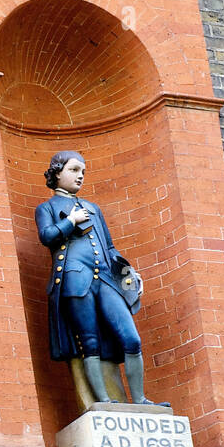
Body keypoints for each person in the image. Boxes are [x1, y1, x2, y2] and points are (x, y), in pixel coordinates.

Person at [36, 150, 159, 405]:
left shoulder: (93, 208)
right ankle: (102, 400)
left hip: (105, 279)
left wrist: (129, 274)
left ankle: (140, 399)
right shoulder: (46, 208)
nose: (80, 176)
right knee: (88, 341)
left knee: (131, 338)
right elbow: (47, 236)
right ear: (57, 173)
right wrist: (70, 221)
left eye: (82, 171)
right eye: (73, 170)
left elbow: (110, 249)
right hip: (75, 280)